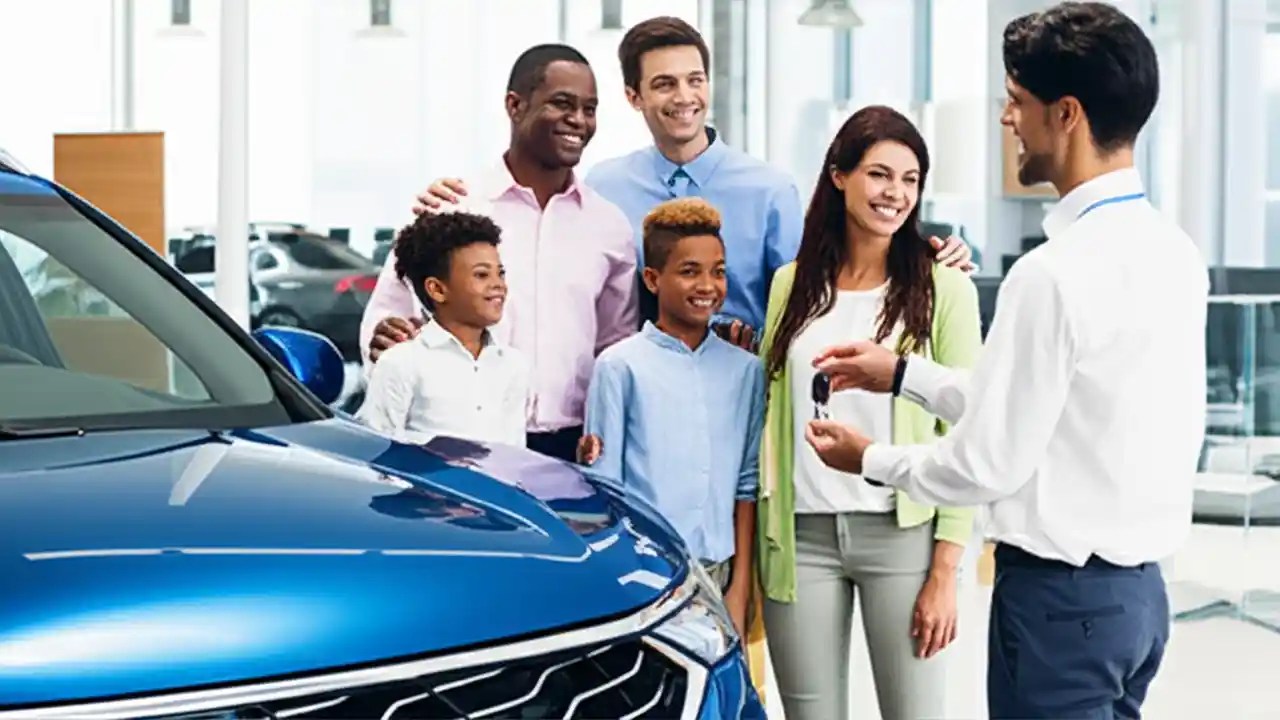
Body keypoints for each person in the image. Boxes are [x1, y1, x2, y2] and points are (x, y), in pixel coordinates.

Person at [804, 4, 1208, 718]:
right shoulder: (1174, 254)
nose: (1006, 119)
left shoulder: (1053, 274)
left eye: (1017, 102)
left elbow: (986, 464)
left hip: (1059, 605)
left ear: (1068, 114)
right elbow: (1046, 408)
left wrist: (870, 458)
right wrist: (902, 375)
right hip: (1138, 600)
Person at [411, 16, 977, 351]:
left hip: (745, 394)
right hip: (639, 399)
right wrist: (450, 201)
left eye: (694, 80)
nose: (683, 98)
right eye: (663, 84)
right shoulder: (601, 190)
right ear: (635, 97)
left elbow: (823, 290)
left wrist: (930, 253)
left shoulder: (770, 189)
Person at [754, 105, 980, 720]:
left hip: (903, 536)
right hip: (800, 538)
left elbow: (971, 430)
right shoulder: (789, 286)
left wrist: (945, 570)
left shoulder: (945, 287)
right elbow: (767, 411)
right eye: (880, 174)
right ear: (838, 176)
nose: (896, 193)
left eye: (910, 180)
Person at [359, 43, 638, 462]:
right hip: (459, 447)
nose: (578, 120)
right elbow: (386, 316)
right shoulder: (454, 208)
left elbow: (616, 345)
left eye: (589, 108)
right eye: (561, 103)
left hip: (574, 450)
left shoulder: (609, 225)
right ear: (515, 105)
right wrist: (385, 338)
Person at [576, 197, 764, 638]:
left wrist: (739, 588)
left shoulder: (745, 371)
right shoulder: (619, 367)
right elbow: (607, 489)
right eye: (689, 271)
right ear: (652, 279)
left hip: (720, 572)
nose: (708, 284)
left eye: (718, 271)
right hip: (647, 575)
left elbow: (747, 483)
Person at [356, 211, 528, 447]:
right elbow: (375, 449)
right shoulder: (402, 363)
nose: (497, 284)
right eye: (481, 275)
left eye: (500, 273)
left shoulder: (513, 365)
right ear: (437, 289)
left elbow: (515, 453)